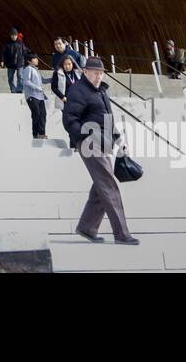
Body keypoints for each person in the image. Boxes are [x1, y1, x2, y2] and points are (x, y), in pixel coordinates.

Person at [62, 58, 138, 245]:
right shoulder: (77, 90)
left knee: (101, 186)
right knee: (108, 185)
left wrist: (120, 140)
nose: (98, 76)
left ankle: (87, 228)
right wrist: (84, 137)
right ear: (86, 72)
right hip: (90, 143)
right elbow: (69, 118)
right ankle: (121, 234)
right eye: (95, 73)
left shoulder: (102, 91)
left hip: (104, 142)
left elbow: (108, 119)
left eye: (101, 73)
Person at [20, 52, 52, 138]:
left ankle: (41, 133)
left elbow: (44, 81)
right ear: (29, 61)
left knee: (43, 114)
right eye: (34, 58)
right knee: (36, 114)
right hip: (32, 96)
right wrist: (37, 88)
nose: (37, 60)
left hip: (40, 96)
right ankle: (35, 134)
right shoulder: (28, 69)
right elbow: (26, 82)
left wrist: (53, 79)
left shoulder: (36, 70)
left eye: (37, 58)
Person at [1, 27, 27, 94]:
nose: (14, 37)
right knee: (10, 78)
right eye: (12, 35)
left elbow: (24, 50)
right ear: (10, 35)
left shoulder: (20, 42)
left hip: (19, 62)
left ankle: (19, 89)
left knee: (20, 76)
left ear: (17, 35)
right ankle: (13, 89)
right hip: (10, 62)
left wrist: (25, 58)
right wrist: (2, 61)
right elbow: (3, 53)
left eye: (15, 35)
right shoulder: (7, 43)